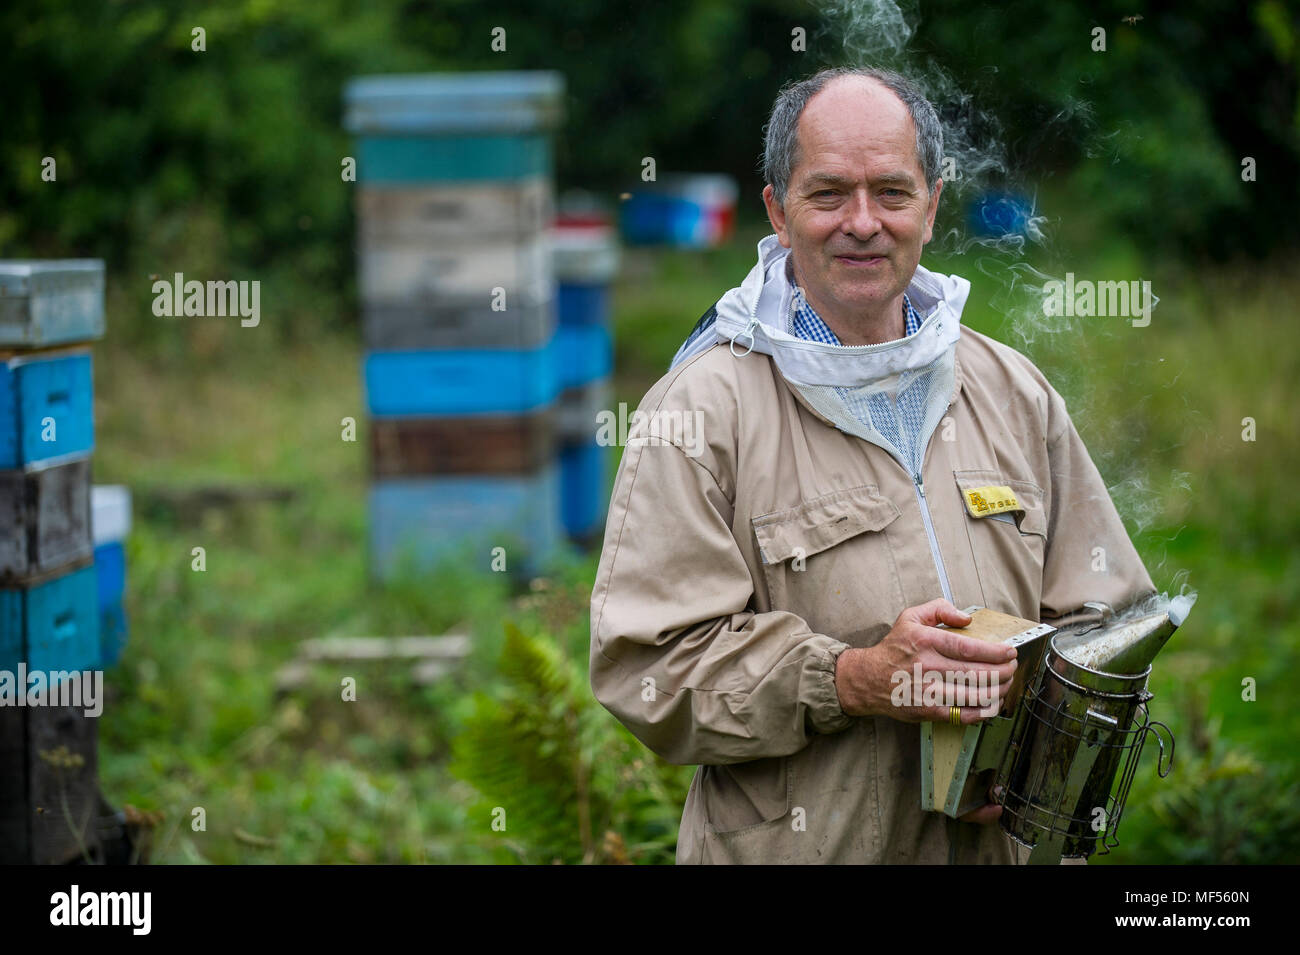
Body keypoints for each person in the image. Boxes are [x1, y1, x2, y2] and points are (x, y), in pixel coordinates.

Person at [588, 66, 1156, 864]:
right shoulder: (701, 410)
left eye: (891, 192)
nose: (863, 222)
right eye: (828, 195)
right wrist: (852, 678)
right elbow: (646, 666)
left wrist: (1039, 740)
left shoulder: (1012, 389)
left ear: (931, 205)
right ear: (778, 213)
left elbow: (1111, 619)